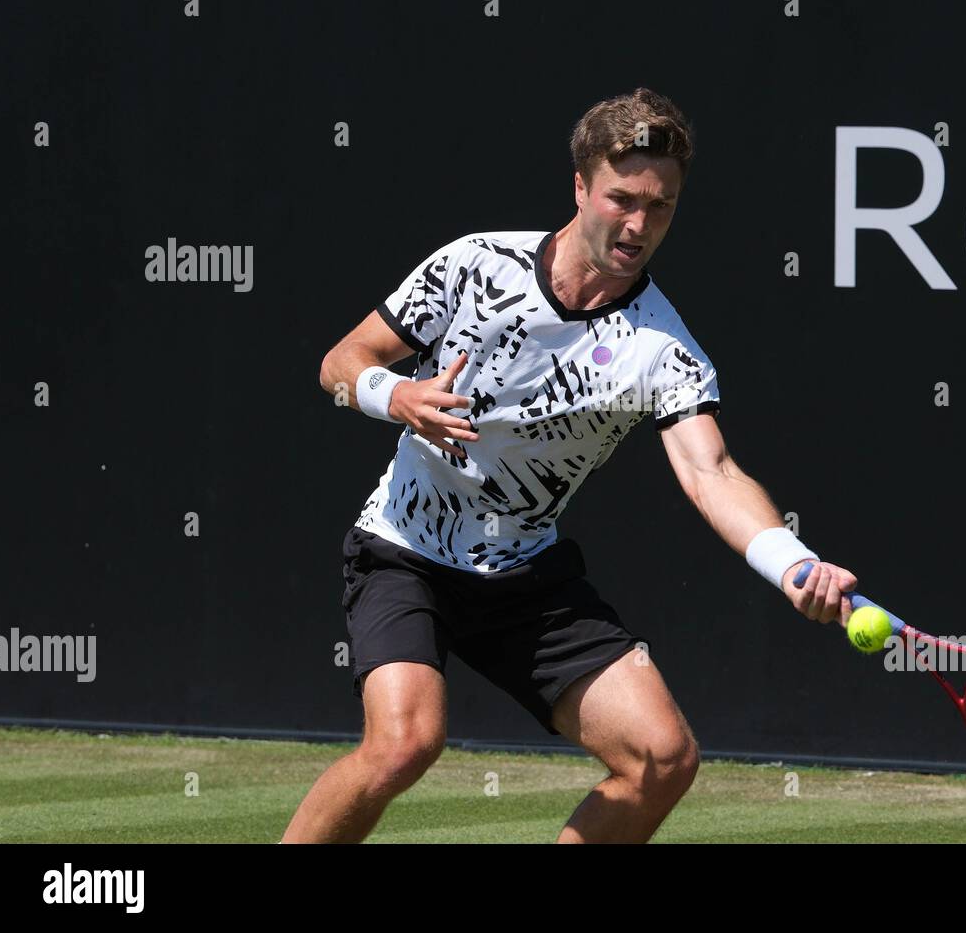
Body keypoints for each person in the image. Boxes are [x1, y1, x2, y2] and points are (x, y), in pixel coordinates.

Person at [281, 87, 858, 844]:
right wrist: (399, 397)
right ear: (580, 186)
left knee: (663, 759)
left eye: (662, 206)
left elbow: (710, 471)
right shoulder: (473, 265)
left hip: (526, 578)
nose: (639, 225)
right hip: (404, 550)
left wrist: (793, 564)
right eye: (623, 198)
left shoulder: (664, 349)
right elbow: (339, 363)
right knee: (403, 745)